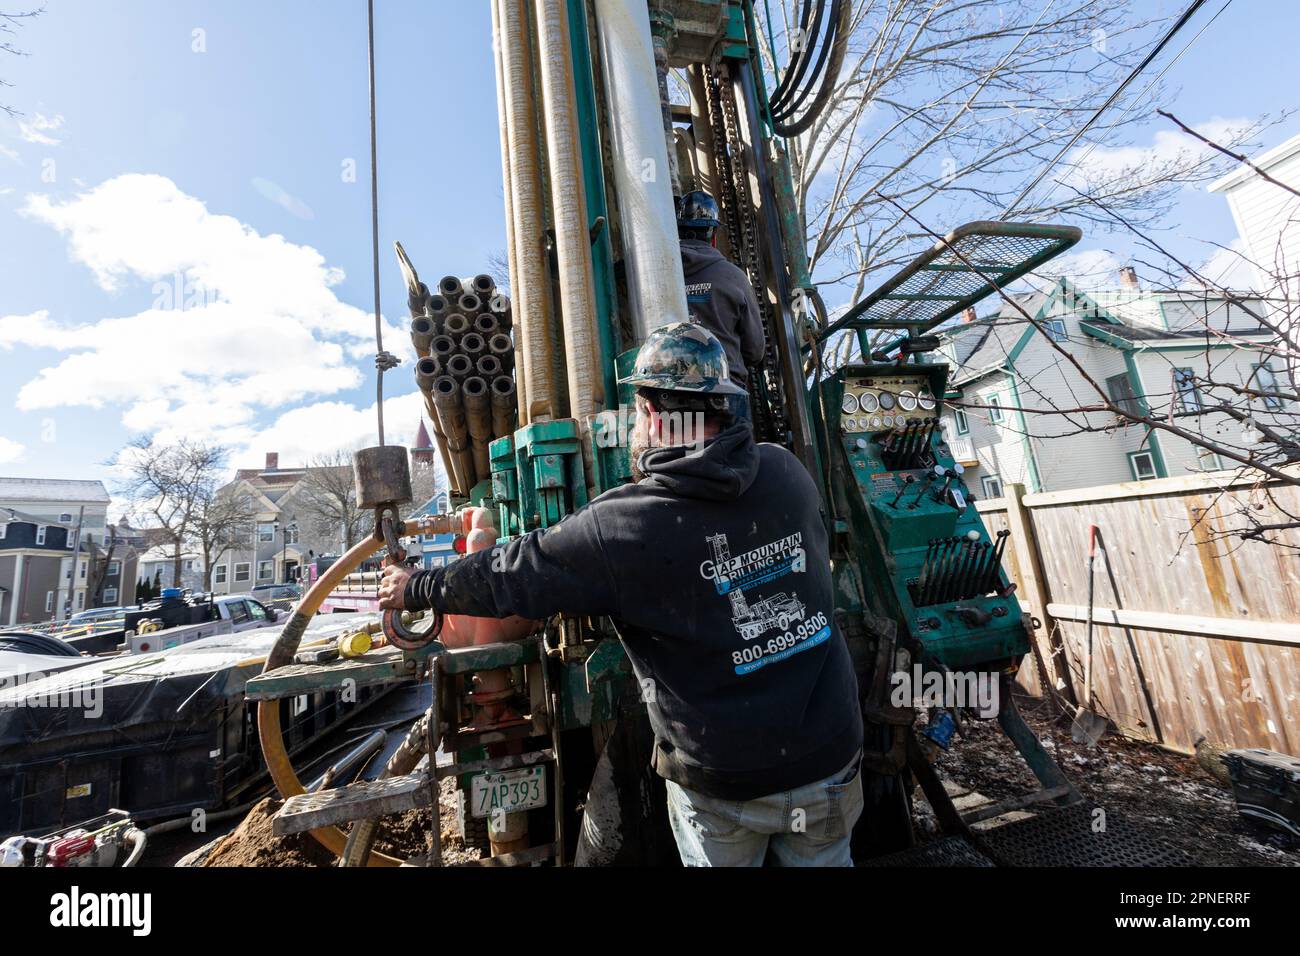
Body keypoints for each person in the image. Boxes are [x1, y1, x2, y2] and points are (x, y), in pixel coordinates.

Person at [379, 322, 863, 866]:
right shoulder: (787, 471)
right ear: (723, 405)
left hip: (726, 784)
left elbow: (512, 573)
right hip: (830, 757)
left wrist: (418, 586)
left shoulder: (625, 527)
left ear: (652, 416)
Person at [677, 190, 767, 390]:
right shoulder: (734, 277)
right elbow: (755, 351)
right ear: (713, 235)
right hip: (724, 387)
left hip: (670, 389)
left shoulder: (657, 272)